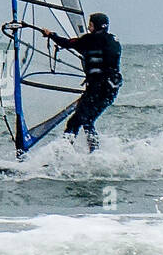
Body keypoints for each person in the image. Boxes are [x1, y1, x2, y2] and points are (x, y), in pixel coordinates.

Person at [39, 12, 122, 152]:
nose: (88, 27)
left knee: (74, 122)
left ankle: (62, 153)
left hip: (97, 89)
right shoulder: (113, 40)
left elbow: (67, 43)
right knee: (88, 121)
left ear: (95, 26)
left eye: (90, 24)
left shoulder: (90, 40)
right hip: (112, 89)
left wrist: (51, 34)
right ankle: (95, 151)